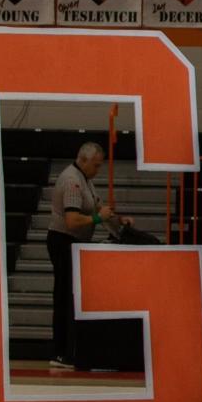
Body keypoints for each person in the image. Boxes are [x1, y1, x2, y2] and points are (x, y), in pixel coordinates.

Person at [46, 142, 132, 370]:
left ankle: (67, 350)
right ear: (83, 160)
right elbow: (72, 221)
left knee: (69, 297)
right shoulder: (72, 181)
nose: (98, 169)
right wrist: (97, 219)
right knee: (64, 297)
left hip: (73, 242)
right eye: (95, 165)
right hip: (64, 240)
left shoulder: (86, 180)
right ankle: (60, 352)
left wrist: (118, 221)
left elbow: (98, 209)